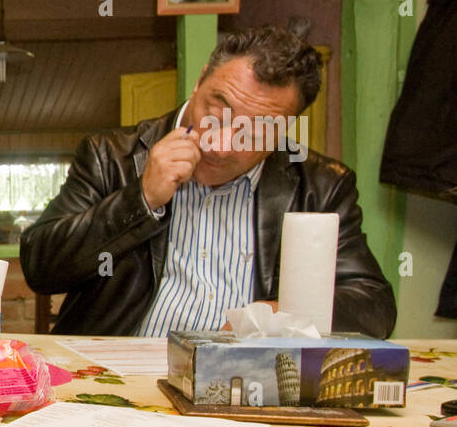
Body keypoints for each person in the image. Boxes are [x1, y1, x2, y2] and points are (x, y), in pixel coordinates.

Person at [20, 23, 396, 339]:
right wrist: (142, 199)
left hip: (246, 384)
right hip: (122, 374)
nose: (222, 144)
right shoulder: (111, 156)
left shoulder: (321, 186)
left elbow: (374, 307)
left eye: (254, 133)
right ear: (200, 80)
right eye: (218, 111)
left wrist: (285, 313)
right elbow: (41, 267)